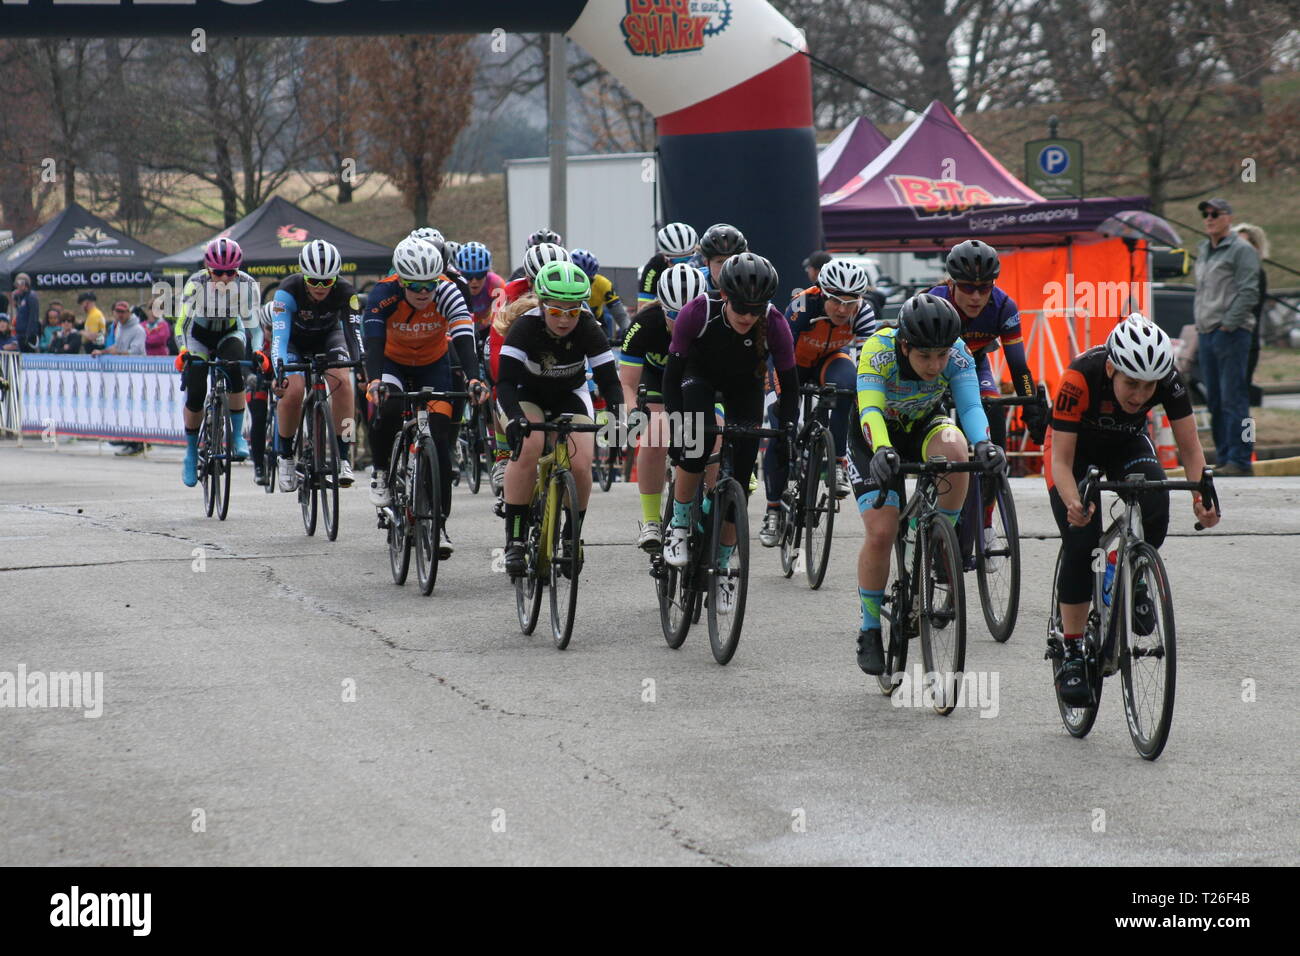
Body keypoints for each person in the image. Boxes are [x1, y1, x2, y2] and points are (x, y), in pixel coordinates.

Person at [1047, 314, 1219, 704]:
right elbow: (1060, 461)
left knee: (1156, 498)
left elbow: (1191, 449)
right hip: (1074, 451)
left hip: (1126, 444)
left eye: (1148, 386)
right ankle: (1072, 652)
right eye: (1131, 383)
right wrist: (1073, 501)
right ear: (1111, 368)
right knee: (1082, 539)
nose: (1140, 395)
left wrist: (1201, 497)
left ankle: (1135, 575)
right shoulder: (1081, 376)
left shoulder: (1169, 380)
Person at [849, 294, 1003, 675]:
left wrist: (983, 442)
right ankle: (870, 628)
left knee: (957, 449)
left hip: (923, 425)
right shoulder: (878, 350)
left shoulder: (959, 352)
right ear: (905, 345)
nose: (935, 366)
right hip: (875, 436)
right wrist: (883, 448)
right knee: (882, 533)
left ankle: (937, 540)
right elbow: (869, 407)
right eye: (925, 357)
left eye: (941, 356)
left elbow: (968, 406)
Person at [661, 254, 800, 603]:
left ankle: (723, 567)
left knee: (738, 482)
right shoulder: (697, 312)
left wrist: (786, 429)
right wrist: (678, 422)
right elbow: (672, 374)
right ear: (724, 295)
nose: (748, 316)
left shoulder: (775, 323)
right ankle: (678, 526)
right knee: (695, 443)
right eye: (741, 307)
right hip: (699, 377)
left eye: (756, 309)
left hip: (745, 387)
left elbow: (789, 383)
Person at [497, 260, 623, 578]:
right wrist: (513, 420)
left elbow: (610, 382)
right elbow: (506, 384)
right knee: (530, 444)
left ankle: (570, 535)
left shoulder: (588, 328)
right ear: (542, 305)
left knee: (581, 462)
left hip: (569, 393)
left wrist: (619, 419)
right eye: (556, 311)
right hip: (527, 393)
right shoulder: (525, 327)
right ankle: (514, 539)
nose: (565, 319)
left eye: (573, 310)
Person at [363, 238, 484, 549]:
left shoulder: (447, 291)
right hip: (392, 363)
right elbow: (373, 343)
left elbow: (464, 338)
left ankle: (438, 527)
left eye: (429, 284)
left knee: (440, 444)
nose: (423, 292)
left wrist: (473, 379)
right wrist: (374, 380)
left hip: (433, 364)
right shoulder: (383, 294)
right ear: (401, 280)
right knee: (388, 407)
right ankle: (380, 470)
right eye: (415, 286)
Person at [759, 258, 878, 546]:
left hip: (830, 360)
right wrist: (783, 400)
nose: (843, 310)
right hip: (792, 363)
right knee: (779, 430)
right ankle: (773, 509)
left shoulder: (863, 313)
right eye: (836, 301)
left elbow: (867, 362)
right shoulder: (801, 307)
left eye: (851, 303)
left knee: (847, 386)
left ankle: (837, 461)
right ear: (823, 293)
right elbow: (779, 353)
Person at [619, 262, 709, 551]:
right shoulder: (645, 324)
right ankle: (651, 521)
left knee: (711, 434)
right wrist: (634, 411)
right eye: (673, 315)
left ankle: (712, 504)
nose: (681, 323)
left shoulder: (712, 322)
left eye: (688, 317)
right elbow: (628, 384)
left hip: (696, 377)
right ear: (661, 308)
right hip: (656, 379)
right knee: (656, 435)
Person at [270, 239, 361, 491]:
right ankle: (286, 456)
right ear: (304, 275)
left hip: (329, 338)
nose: (321, 287)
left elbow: (354, 334)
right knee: (294, 390)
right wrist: (279, 370)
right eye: (314, 281)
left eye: (327, 281)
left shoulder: (346, 292)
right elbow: (279, 337)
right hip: (294, 344)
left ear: (336, 278)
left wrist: (361, 365)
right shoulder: (287, 290)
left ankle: (344, 456)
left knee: (343, 383)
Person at [174, 237, 262, 487]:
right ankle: (191, 453)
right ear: (208, 269)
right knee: (196, 387)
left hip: (228, 333)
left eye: (230, 272)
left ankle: (237, 438)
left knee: (235, 369)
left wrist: (257, 351)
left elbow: (254, 327)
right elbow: (181, 324)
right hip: (198, 336)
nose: (224, 278)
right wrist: (183, 351)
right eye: (219, 272)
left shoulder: (247, 284)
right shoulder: (196, 283)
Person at [1193, 198, 1260, 476]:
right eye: (1205, 214)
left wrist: (1228, 326)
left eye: (1215, 214)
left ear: (1228, 218)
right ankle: (1223, 457)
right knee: (1215, 399)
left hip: (1230, 333)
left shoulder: (1241, 250)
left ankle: (1240, 459)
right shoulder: (1204, 250)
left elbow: (1249, 292)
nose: (1209, 218)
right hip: (1206, 332)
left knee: (1234, 398)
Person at [1231, 222, 1270, 405]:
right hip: (1223, 341)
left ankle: (1242, 433)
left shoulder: (1255, 274)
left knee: (1238, 395)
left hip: (1244, 341)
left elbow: (1248, 306)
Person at [570, 248, 628, 342]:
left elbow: (620, 314)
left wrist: (627, 331)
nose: (585, 284)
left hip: (597, 320)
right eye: (578, 279)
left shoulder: (604, 284)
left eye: (589, 280)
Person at [636, 222, 698, 309]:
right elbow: (643, 308)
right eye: (676, 260)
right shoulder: (654, 266)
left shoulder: (703, 258)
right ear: (664, 256)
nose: (682, 266)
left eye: (688, 259)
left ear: (695, 252)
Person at [696, 223, 747, 294]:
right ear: (706, 262)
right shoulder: (693, 282)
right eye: (720, 261)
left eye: (732, 260)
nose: (726, 268)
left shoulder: (754, 282)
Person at [12, 273, 39, 353]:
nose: (18, 286)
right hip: (20, 333)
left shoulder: (31, 297)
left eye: (20, 283)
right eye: (17, 284)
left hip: (27, 335)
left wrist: (29, 334)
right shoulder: (20, 297)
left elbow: (33, 316)